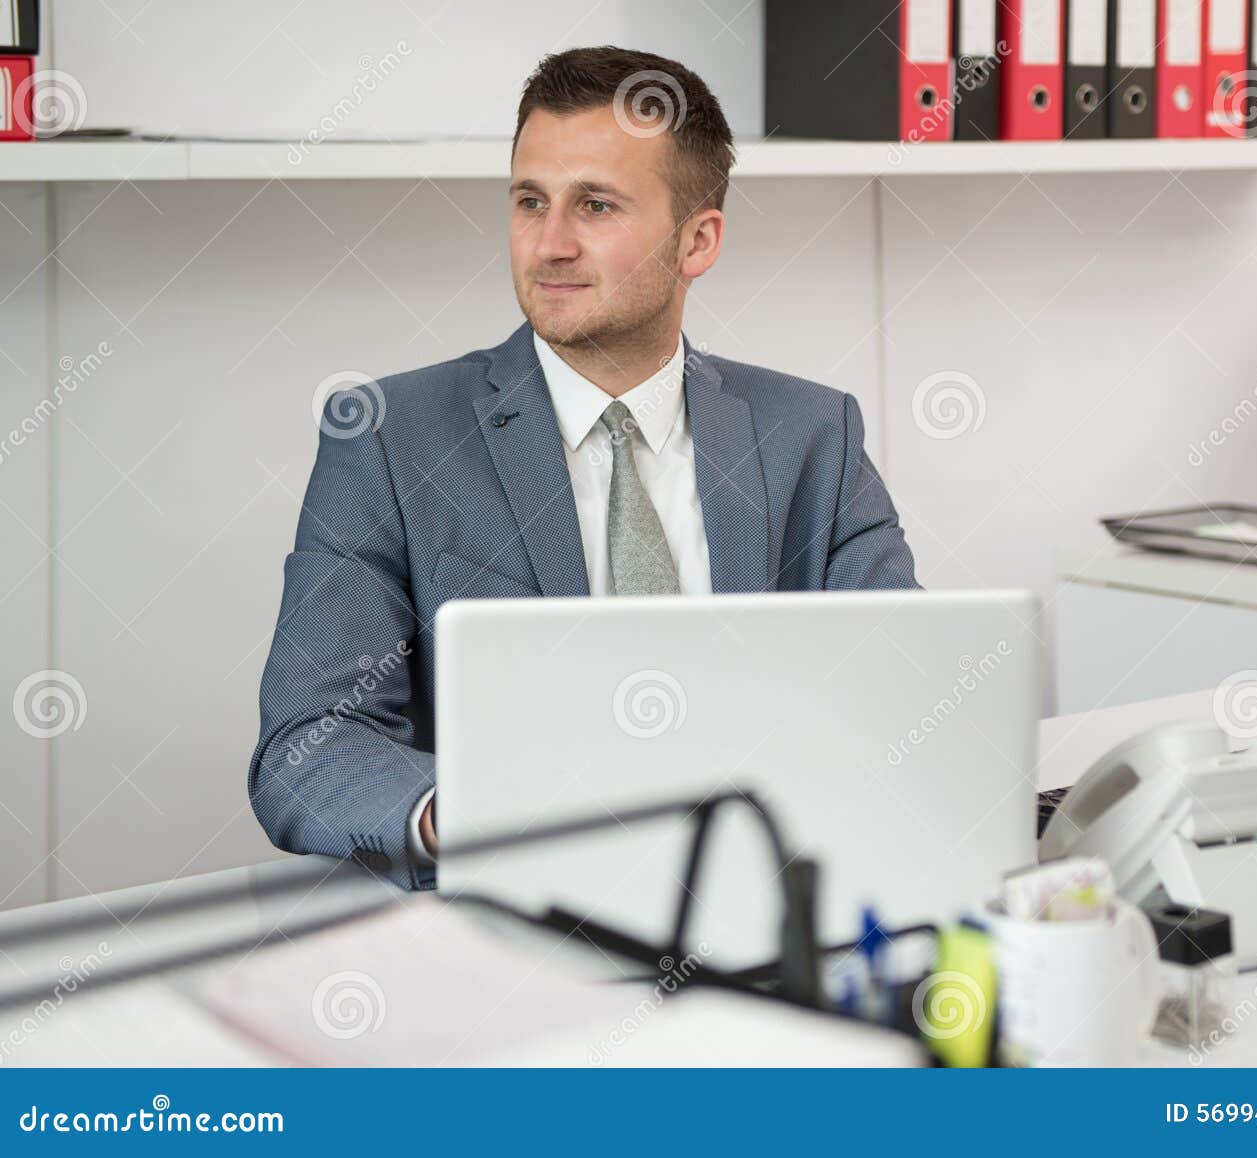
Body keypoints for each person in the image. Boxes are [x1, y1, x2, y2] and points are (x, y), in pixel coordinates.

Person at [248, 45, 919, 890]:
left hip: (761, 893)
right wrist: (465, 815)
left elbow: (907, 690)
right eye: (531, 202)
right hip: (514, 917)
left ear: (698, 240)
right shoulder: (390, 438)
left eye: (595, 205)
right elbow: (306, 745)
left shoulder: (813, 434)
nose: (550, 244)